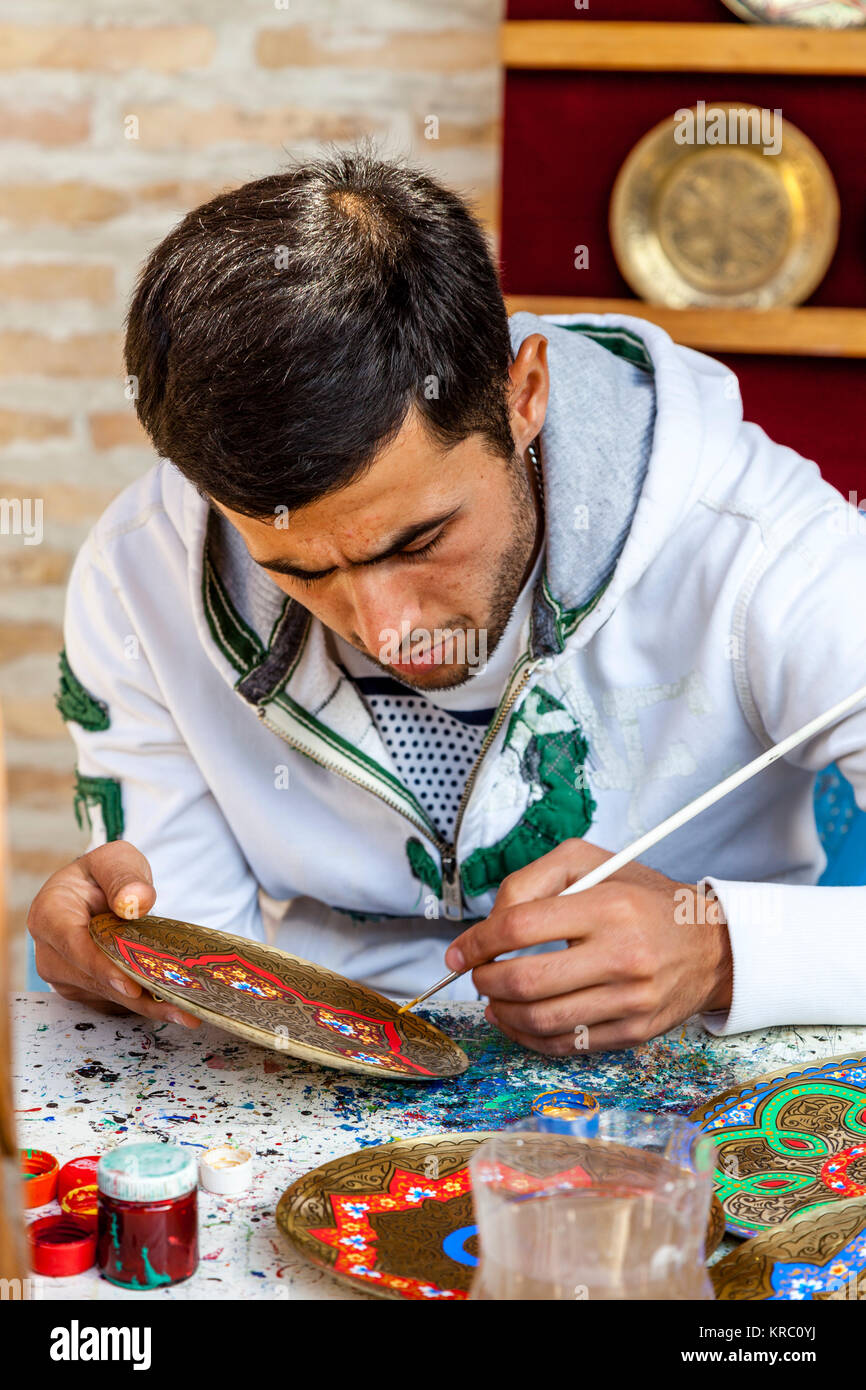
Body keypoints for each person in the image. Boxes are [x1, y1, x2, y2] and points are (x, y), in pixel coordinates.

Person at [27, 151, 866, 1055]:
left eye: (417, 542)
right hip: (317, 1101)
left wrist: (725, 952)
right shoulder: (141, 572)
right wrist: (129, 966)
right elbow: (206, 995)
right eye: (300, 572)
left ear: (524, 394)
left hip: (708, 1105)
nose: (389, 629)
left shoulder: (765, 550)